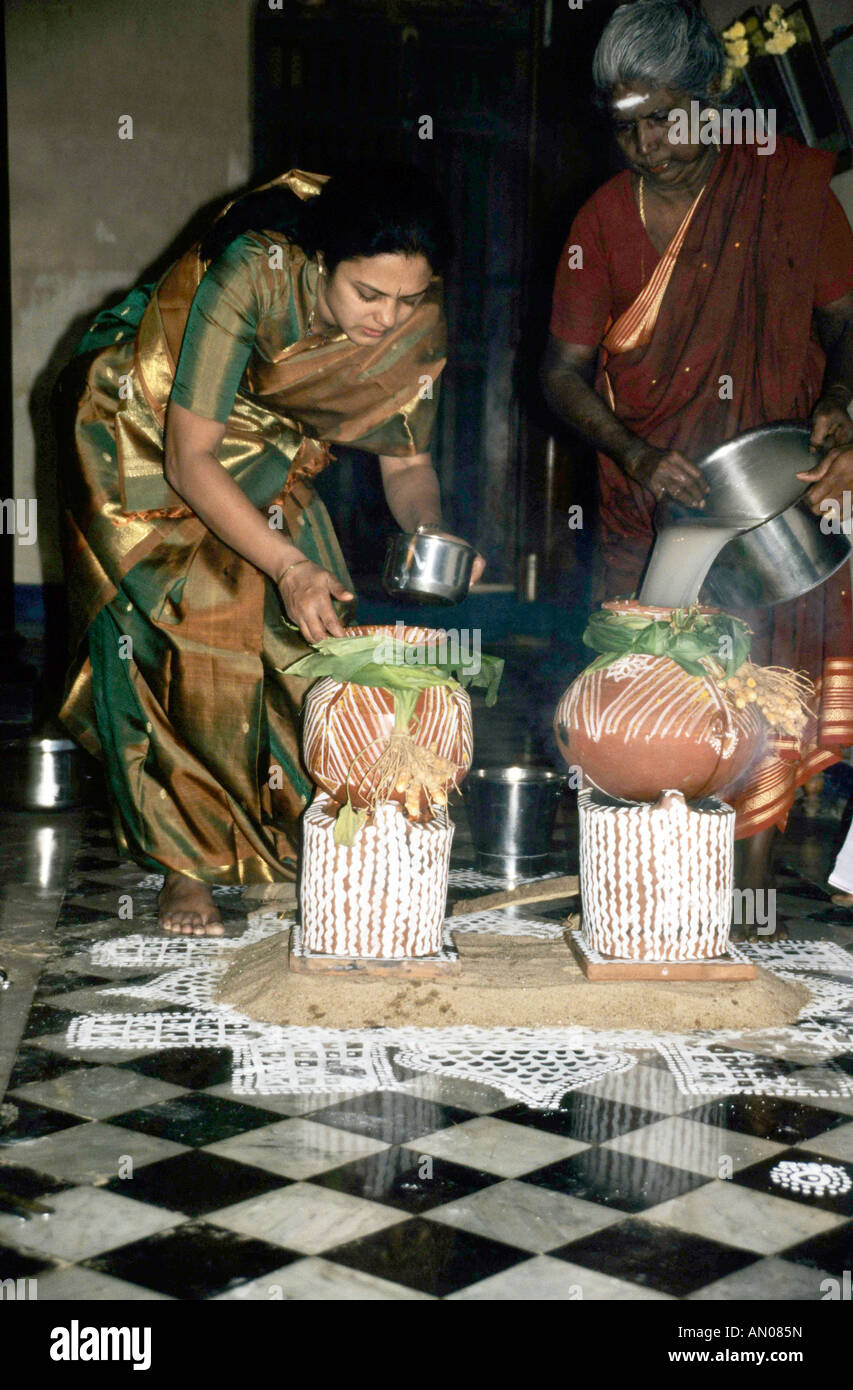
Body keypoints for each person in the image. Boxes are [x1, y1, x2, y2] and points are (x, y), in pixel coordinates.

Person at [60, 166, 484, 936]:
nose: (389, 318)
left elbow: (408, 463)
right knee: (176, 632)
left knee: (308, 637)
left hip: (269, 450)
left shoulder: (415, 321)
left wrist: (429, 533)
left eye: (409, 298)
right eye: (368, 295)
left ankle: (295, 837)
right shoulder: (254, 271)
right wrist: (286, 565)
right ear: (321, 262)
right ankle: (183, 868)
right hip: (144, 428)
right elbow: (192, 461)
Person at [541, 0, 853, 904]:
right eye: (627, 131)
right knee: (653, 691)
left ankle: (742, 901)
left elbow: (844, 318)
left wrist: (839, 400)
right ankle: (644, 893)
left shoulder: (784, 187)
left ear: (711, 101)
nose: (649, 148)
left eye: (666, 121)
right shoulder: (599, 222)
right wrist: (633, 453)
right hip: (653, 500)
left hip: (769, 492)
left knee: (766, 685)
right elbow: (560, 373)